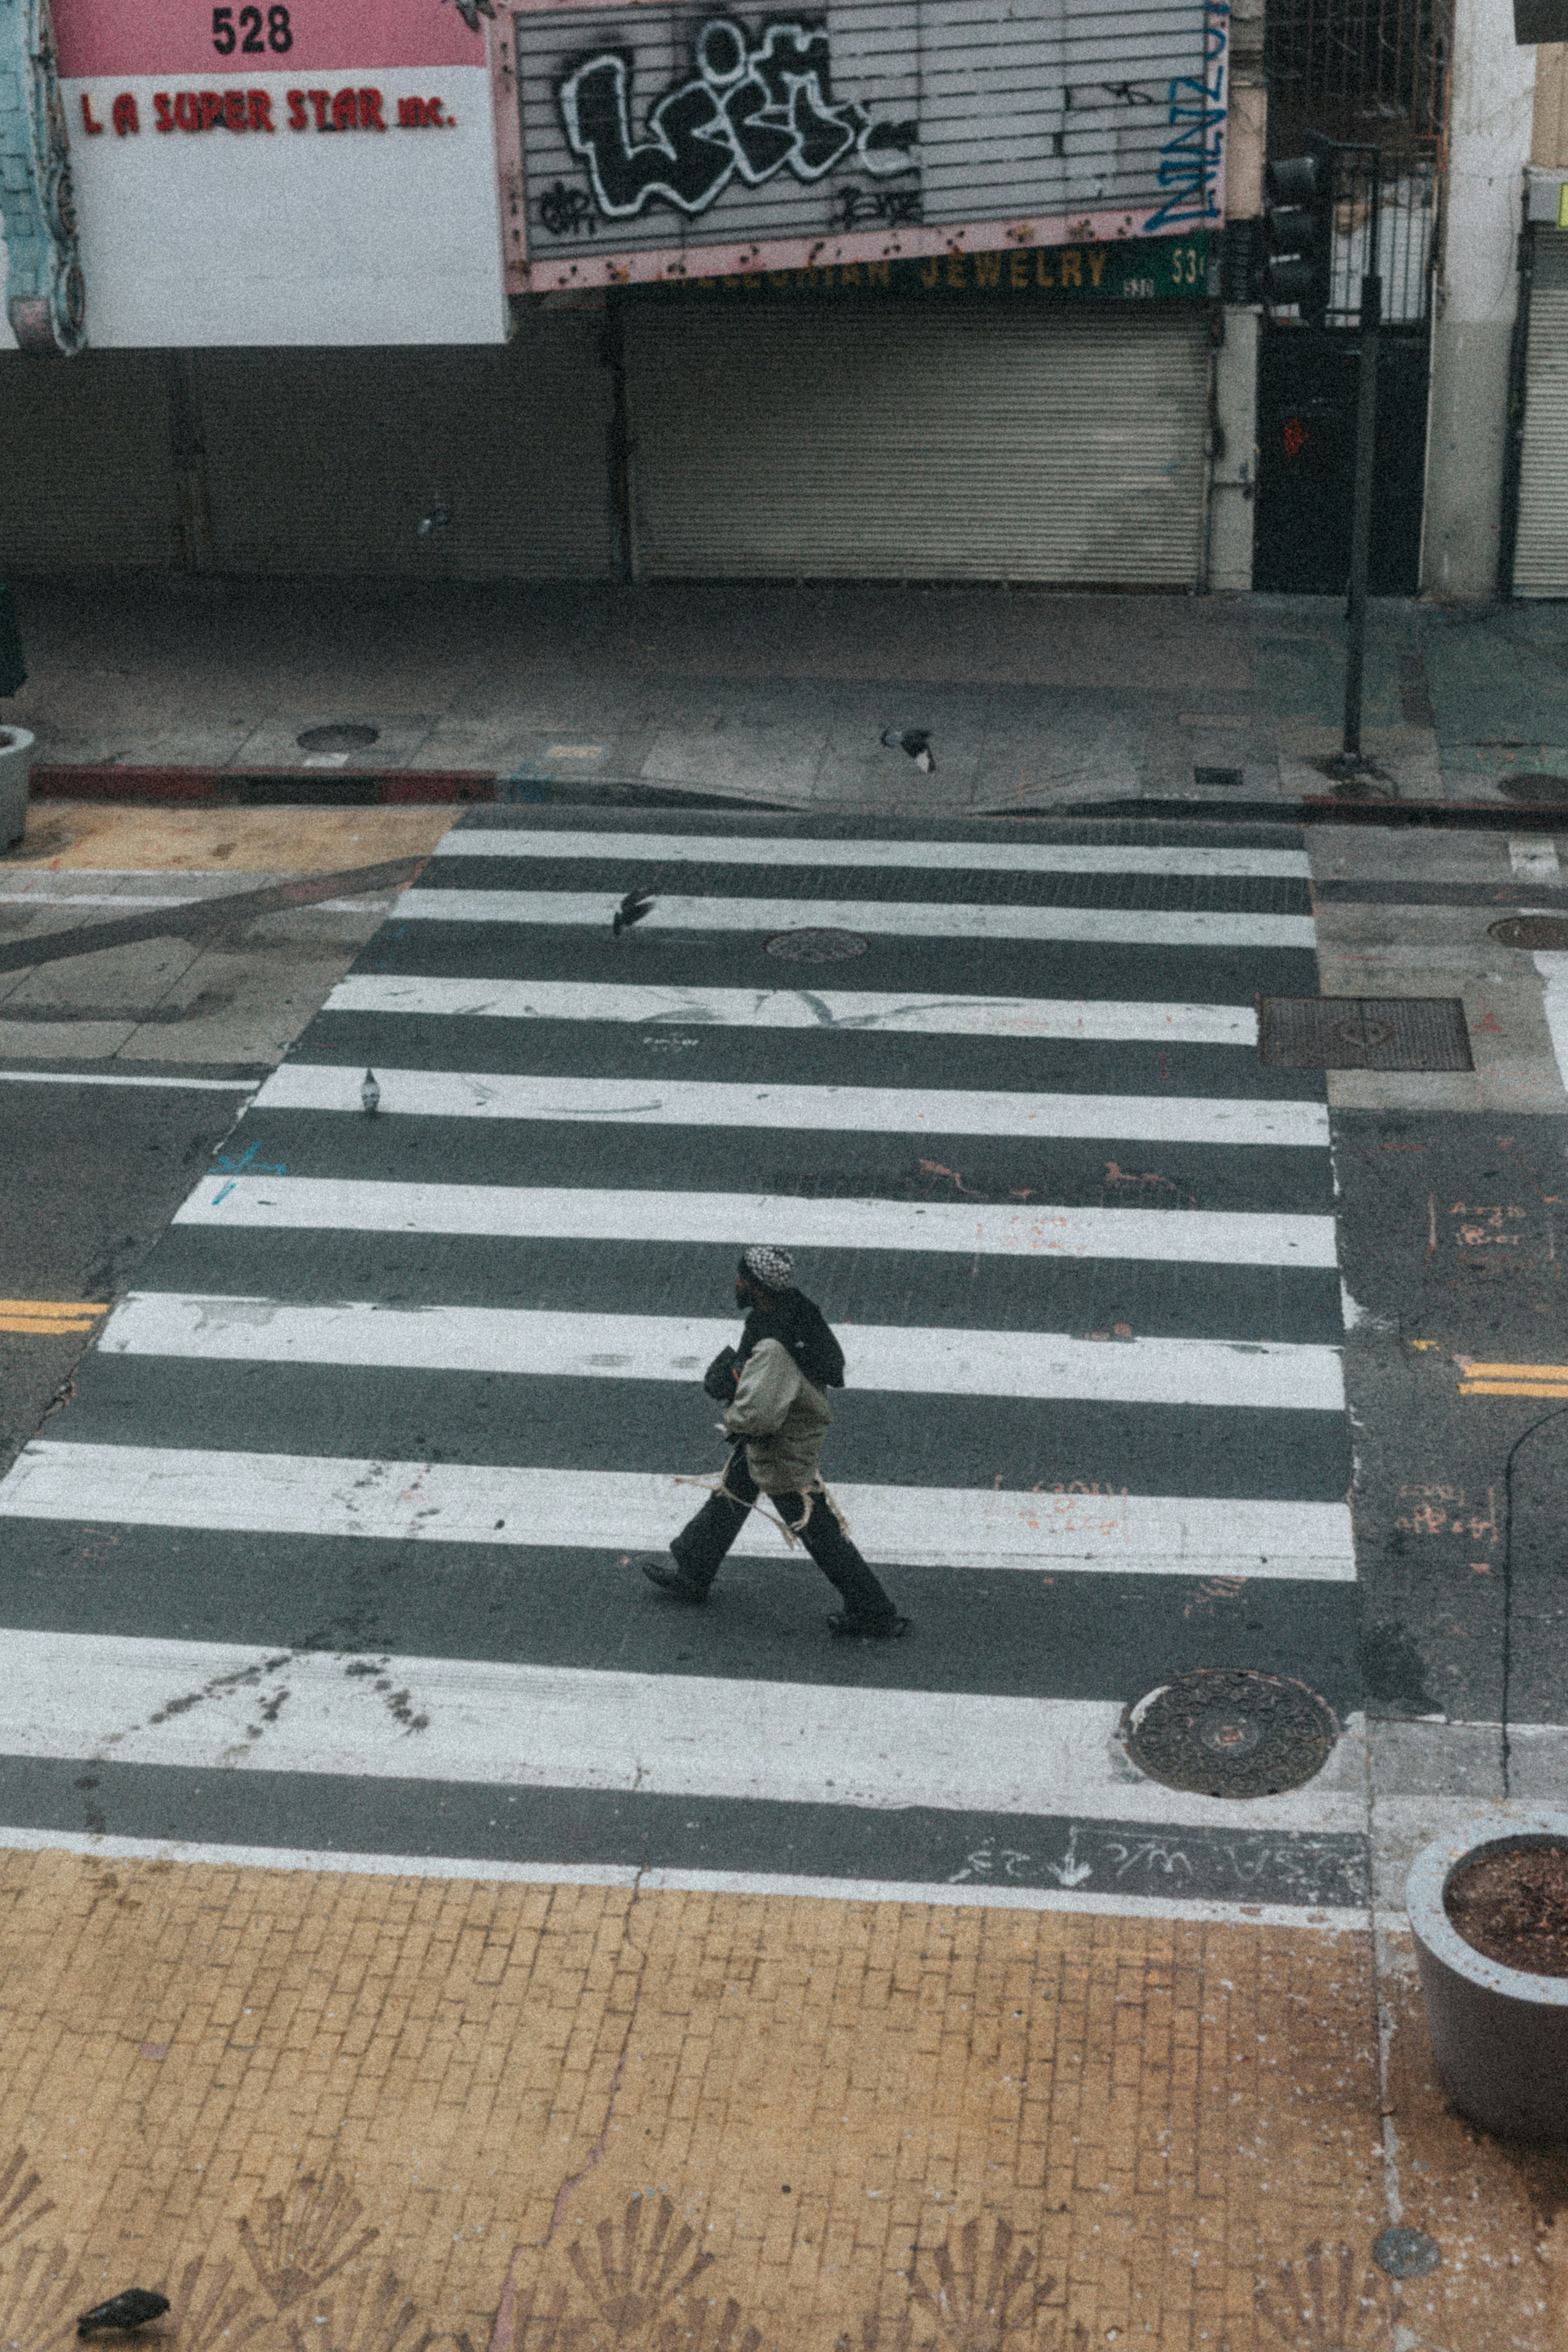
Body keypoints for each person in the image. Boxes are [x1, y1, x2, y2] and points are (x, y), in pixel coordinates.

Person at [641, 1245, 909, 1638]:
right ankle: (695, 1570)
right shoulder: (786, 1313)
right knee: (734, 1490)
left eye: (742, 1279)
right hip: (783, 1424)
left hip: (780, 1438)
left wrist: (733, 1400)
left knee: (813, 1523)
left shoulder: (775, 1337)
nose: (736, 1284)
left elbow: (761, 1410)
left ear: (759, 1287)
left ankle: (874, 1610)